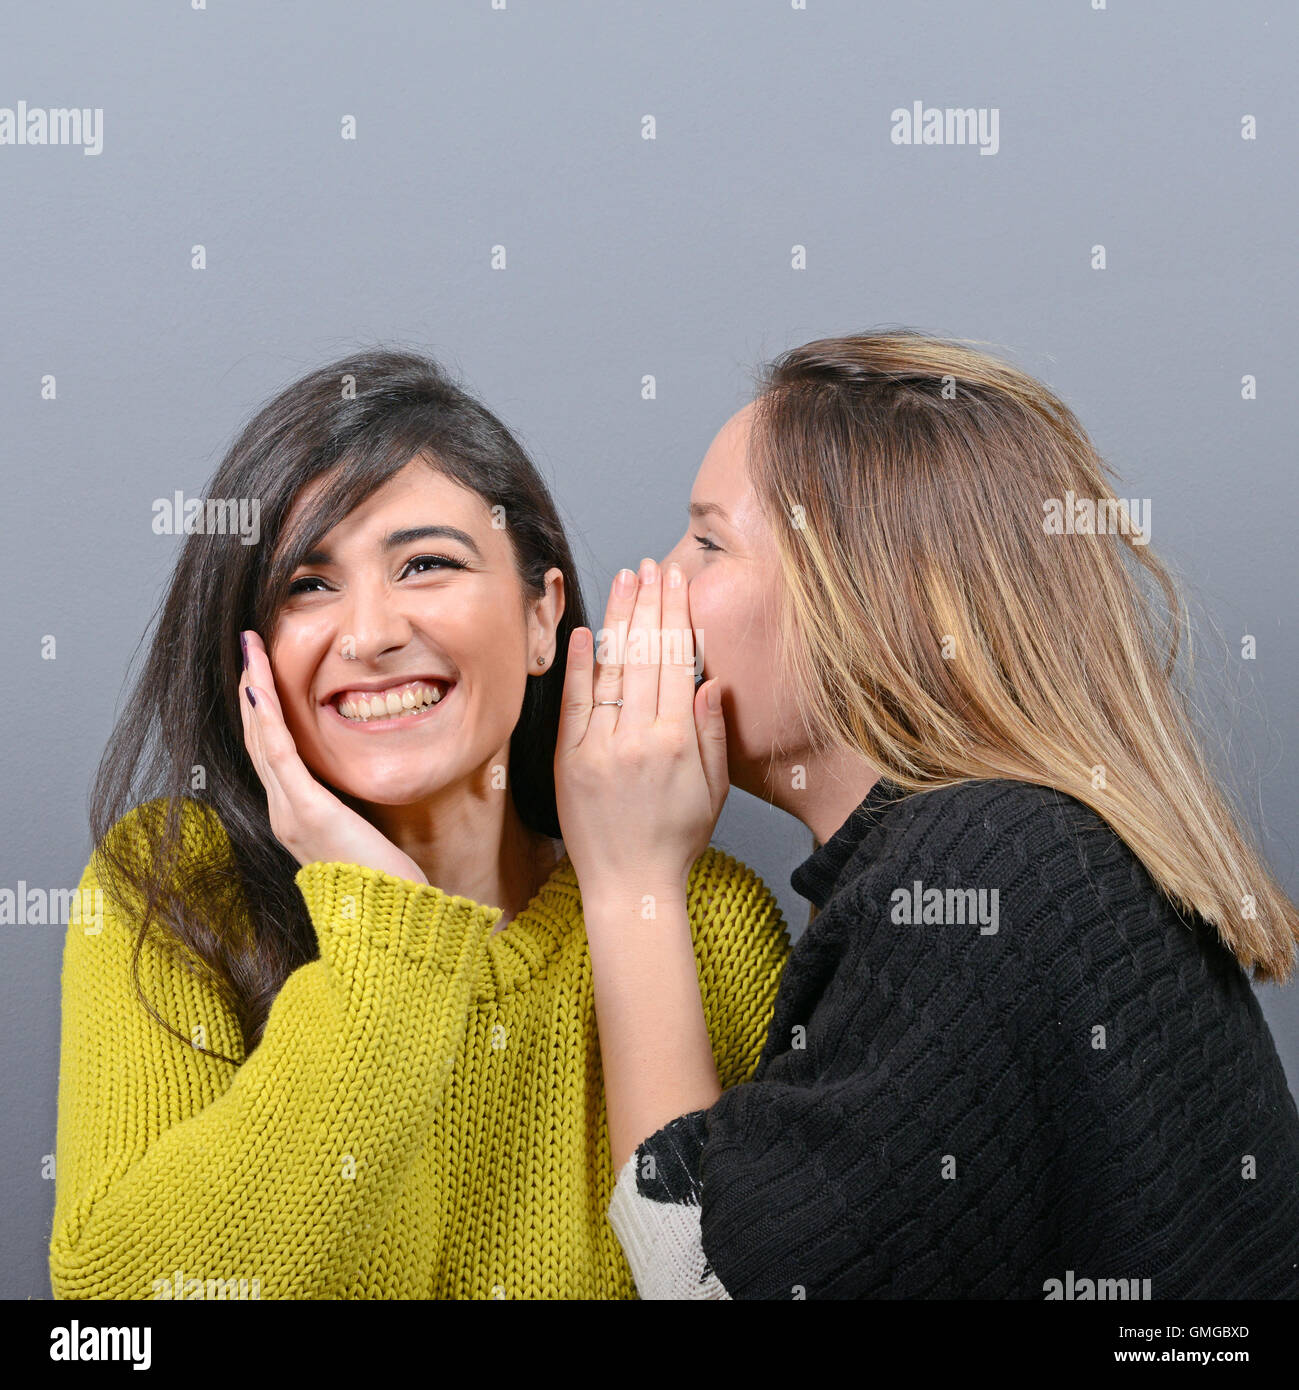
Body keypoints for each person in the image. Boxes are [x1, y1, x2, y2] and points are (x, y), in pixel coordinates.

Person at [554, 330, 1299, 1299]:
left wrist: (628, 885)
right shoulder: (1005, 854)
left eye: (705, 541)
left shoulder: (985, 868)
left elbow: (710, 1289)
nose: (656, 578)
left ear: (866, 602)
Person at [48, 348, 789, 1300]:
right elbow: (119, 1310)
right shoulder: (176, 886)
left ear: (541, 616)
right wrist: (386, 934)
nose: (370, 633)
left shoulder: (706, 924)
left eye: (425, 564)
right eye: (306, 585)